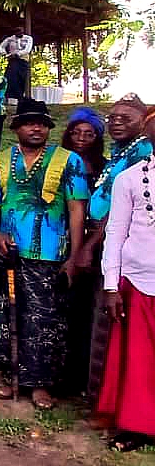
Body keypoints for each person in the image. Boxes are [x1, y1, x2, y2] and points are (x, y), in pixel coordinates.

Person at [0, 98, 89, 409]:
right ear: (16, 127)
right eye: (30, 122)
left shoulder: (68, 160)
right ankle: (13, 377)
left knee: (44, 319)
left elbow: (76, 209)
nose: (37, 128)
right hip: (10, 252)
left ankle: (40, 384)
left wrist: (73, 255)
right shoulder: (1, 159)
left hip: (50, 253)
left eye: (43, 123)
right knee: (9, 315)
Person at [79, 94, 152, 402]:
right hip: (101, 239)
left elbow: (121, 214)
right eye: (113, 118)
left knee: (109, 319)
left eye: (127, 118)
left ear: (144, 124)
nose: (117, 122)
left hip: (112, 242)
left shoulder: (143, 154)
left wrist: (91, 244)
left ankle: (106, 396)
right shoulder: (122, 151)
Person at [95, 107, 155, 453]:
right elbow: (115, 232)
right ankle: (138, 425)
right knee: (138, 360)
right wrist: (111, 285)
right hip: (137, 280)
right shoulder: (130, 178)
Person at [60, 107, 108, 395]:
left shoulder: (105, 167)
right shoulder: (60, 162)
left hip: (95, 243)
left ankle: (81, 374)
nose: (81, 138)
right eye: (76, 133)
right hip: (62, 236)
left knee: (86, 309)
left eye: (88, 134)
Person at [0, 27, 33, 101]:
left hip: (23, 61)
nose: (19, 33)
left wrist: (18, 54)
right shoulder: (10, 39)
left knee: (22, 79)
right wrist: (5, 54)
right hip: (12, 61)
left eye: (20, 31)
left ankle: (20, 97)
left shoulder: (28, 38)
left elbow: (27, 49)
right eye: (17, 31)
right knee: (10, 78)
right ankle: (10, 96)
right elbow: (1, 46)